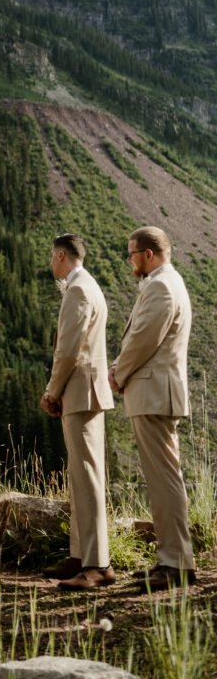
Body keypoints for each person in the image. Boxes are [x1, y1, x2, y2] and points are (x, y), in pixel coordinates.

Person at [109, 226, 196, 589]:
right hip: (158, 392)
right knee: (165, 476)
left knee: (163, 479)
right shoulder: (170, 283)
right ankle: (173, 559)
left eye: (131, 253)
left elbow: (144, 337)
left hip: (153, 392)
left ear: (148, 254)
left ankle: (175, 563)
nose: (129, 260)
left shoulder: (160, 285)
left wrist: (117, 372)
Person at [40, 234, 115, 590]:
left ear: (61, 256)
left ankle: (98, 564)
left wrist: (52, 391)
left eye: (51, 257)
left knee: (86, 479)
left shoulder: (77, 290)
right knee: (81, 477)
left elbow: (68, 351)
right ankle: (80, 555)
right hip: (88, 390)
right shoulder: (90, 286)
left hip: (80, 391)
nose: (50, 263)